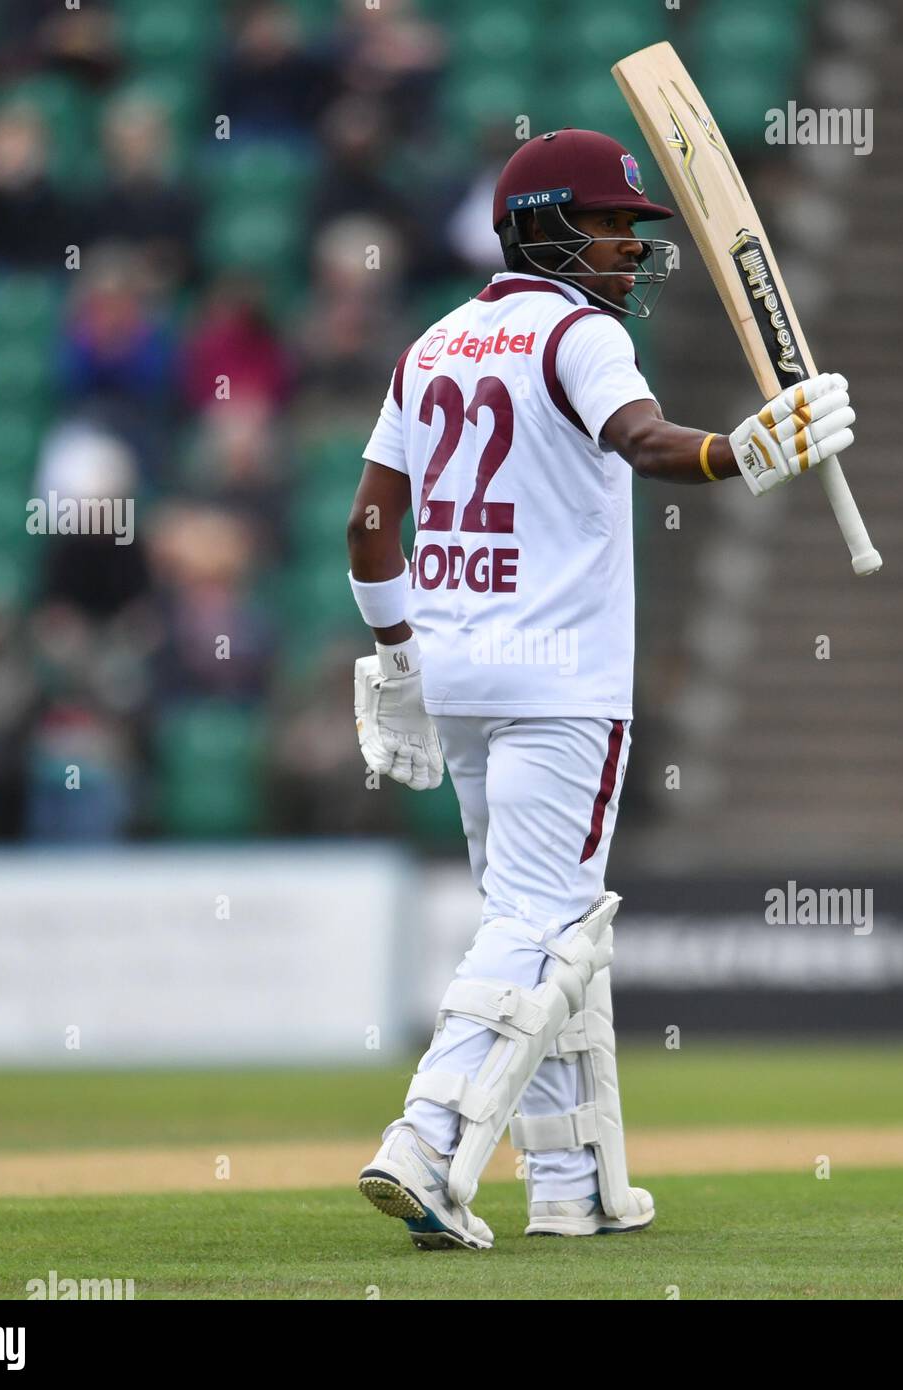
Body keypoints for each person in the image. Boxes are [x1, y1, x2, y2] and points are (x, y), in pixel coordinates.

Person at [345, 128, 857, 1250]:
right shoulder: (581, 334)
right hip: (561, 680)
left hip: (460, 669)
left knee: (537, 922)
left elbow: (370, 523)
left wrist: (395, 659)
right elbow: (645, 442)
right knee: (545, 920)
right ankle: (428, 1143)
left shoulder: (428, 343)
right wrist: (746, 451)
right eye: (612, 224)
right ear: (542, 227)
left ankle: (573, 1181)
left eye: (633, 230)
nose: (629, 250)